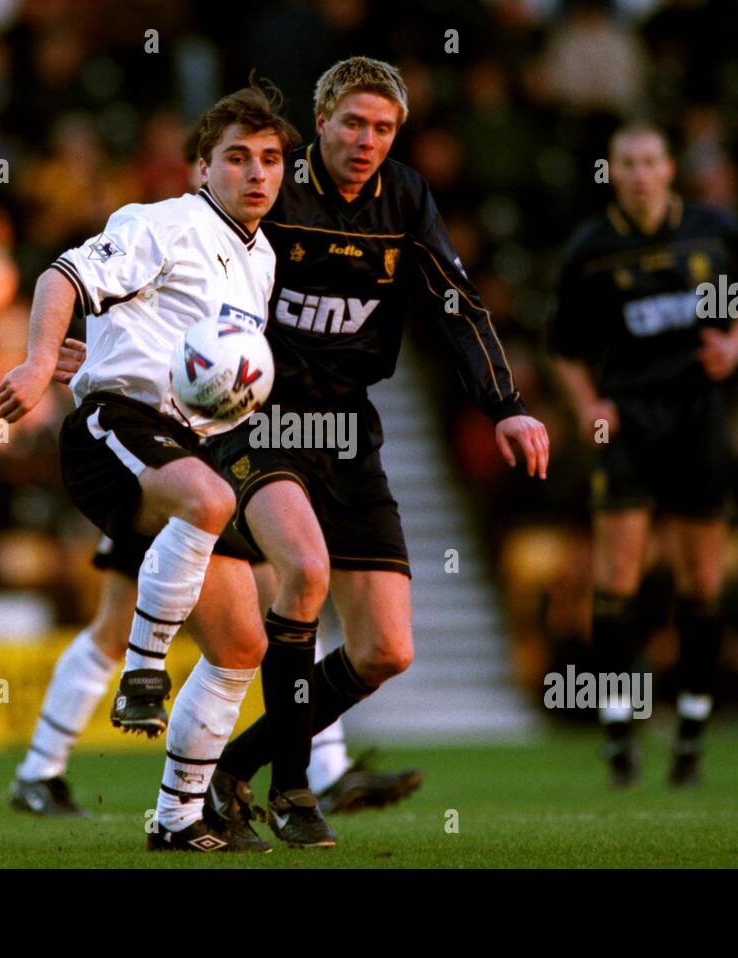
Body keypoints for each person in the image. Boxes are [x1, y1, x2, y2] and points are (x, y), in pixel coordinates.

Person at [202, 57, 549, 848]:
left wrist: (507, 407)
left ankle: (233, 769)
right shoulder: (268, 191)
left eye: (384, 128)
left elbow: (454, 303)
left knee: (386, 647)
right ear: (319, 122)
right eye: (353, 124)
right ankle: (294, 789)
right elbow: (186, 262)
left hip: (349, 427)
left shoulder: (406, 197)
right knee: (306, 574)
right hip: (265, 418)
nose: (367, 141)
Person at [0, 83, 298, 851]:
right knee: (206, 501)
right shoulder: (162, 223)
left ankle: (177, 818)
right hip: (115, 433)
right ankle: (141, 673)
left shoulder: (259, 259)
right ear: (202, 168)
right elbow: (61, 276)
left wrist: (98, 351)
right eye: (237, 158)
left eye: (271, 160)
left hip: (182, 449)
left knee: (241, 645)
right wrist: (36, 366)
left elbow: (178, 349)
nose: (256, 174)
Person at [548, 121, 738, 788]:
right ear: (611, 172)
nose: (640, 173)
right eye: (627, 163)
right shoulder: (590, 249)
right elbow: (562, 347)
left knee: (702, 583)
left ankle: (693, 733)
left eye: (650, 160)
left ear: (670, 167)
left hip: (699, 419)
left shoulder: (714, 229)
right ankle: (619, 730)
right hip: (630, 422)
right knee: (618, 580)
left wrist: (735, 346)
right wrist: (589, 406)